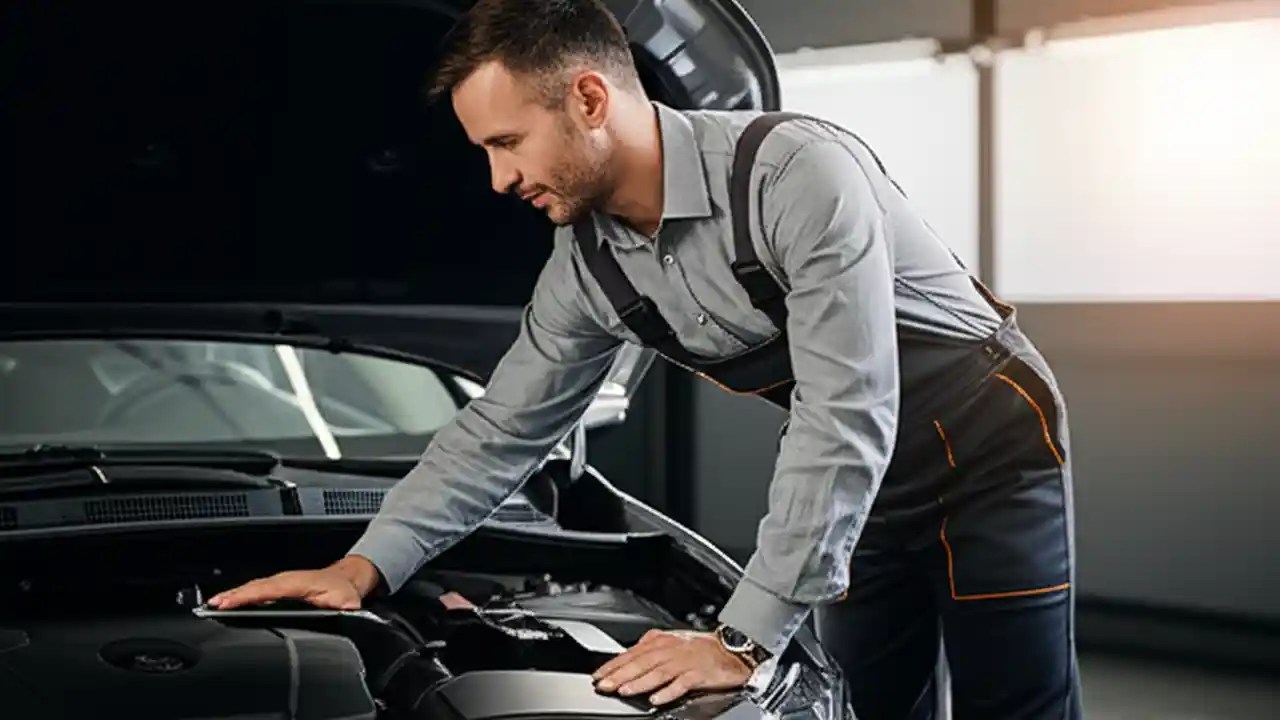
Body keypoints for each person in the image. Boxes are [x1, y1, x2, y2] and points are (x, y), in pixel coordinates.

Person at [209, 0, 1082, 716]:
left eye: (506, 144)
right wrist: (363, 566)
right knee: (873, 702)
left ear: (590, 98)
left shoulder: (796, 176)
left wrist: (738, 640)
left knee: (1016, 705)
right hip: (869, 478)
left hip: (989, 443)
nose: (497, 182)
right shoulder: (585, 267)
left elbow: (844, 410)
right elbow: (499, 431)